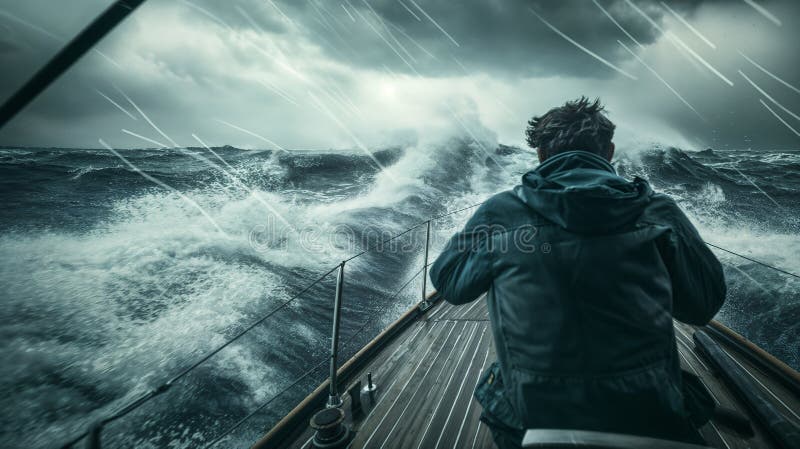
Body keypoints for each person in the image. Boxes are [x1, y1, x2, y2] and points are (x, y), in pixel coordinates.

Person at [429, 97, 726, 448]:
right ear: (609, 152)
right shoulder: (659, 211)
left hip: (536, 418)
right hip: (649, 413)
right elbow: (702, 307)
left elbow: (450, 283)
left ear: (541, 155)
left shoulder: (501, 212)